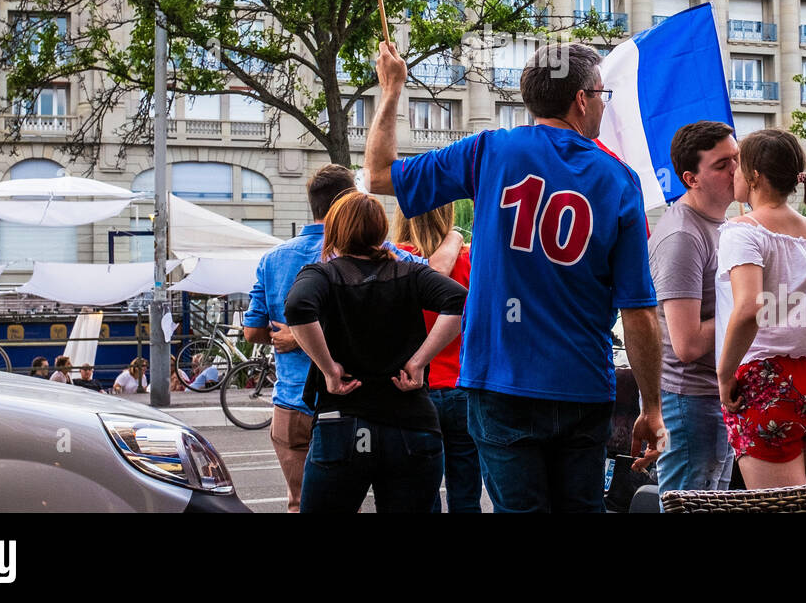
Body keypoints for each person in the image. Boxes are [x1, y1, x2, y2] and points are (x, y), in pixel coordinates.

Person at [364, 41, 665, 513]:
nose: (605, 106)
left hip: (500, 384)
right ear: (582, 99)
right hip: (582, 386)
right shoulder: (619, 180)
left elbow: (379, 175)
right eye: (603, 95)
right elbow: (640, 312)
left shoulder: (489, 151)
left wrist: (391, 89)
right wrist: (651, 407)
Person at [243, 163, 462, 513]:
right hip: (411, 421)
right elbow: (457, 300)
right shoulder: (407, 270)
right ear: (381, 230)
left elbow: (297, 308)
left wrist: (329, 369)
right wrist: (420, 362)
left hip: (339, 420)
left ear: (336, 229)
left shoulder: (321, 274)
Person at [715, 128, 806, 490]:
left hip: (772, 382)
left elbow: (749, 309)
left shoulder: (742, 232)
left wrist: (724, 375)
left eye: (738, 165)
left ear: (753, 176)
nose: (732, 172)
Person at [649, 120, 740, 495]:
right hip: (691, 402)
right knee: (690, 504)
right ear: (691, 178)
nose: (736, 169)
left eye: (737, 158)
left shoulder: (722, 223)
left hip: (711, 397)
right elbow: (685, 344)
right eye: (721, 165)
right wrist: (753, 311)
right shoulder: (683, 235)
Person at [392, 203, 481, 513]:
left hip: (412, 390)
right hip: (462, 386)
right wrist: (456, 238)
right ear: (447, 216)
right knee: (467, 493)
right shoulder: (471, 260)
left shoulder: (394, 260)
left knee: (421, 494)